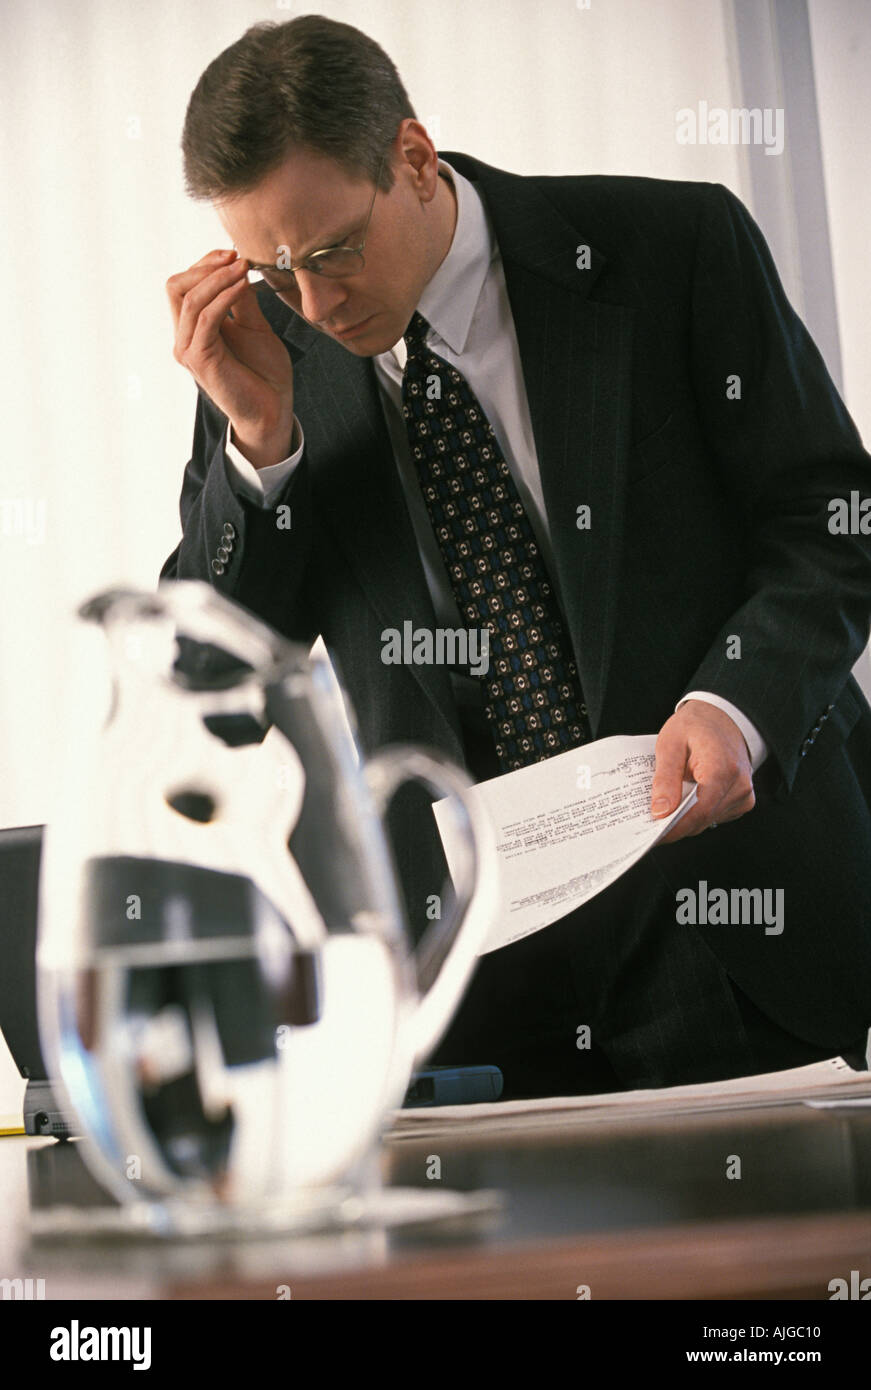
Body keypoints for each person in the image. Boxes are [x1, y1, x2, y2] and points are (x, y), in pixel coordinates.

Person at [161, 15, 871, 1099]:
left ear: (410, 157)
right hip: (475, 983)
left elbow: (830, 521)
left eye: (335, 249)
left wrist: (739, 707)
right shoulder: (266, 360)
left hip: (738, 915)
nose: (312, 302)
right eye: (271, 266)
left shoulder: (672, 246)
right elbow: (212, 685)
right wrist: (263, 451)